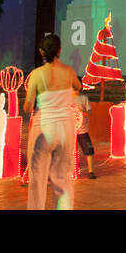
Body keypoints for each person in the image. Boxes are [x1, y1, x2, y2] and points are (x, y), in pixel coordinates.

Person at [24, 33, 82, 210]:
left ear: (42, 52)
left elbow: (28, 106)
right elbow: (78, 88)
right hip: (65, 126)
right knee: (63, 177)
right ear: (60, 50)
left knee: (37, 177)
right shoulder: (69, 71)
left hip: (44, 126)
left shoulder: (37, 74)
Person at [74, 91, 96, 178]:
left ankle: (91, 171)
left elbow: (90, 112)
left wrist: (83, 113)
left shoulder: (83, 98)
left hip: (82, 130)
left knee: (88, 149)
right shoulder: (65, 98)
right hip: (69, 130)